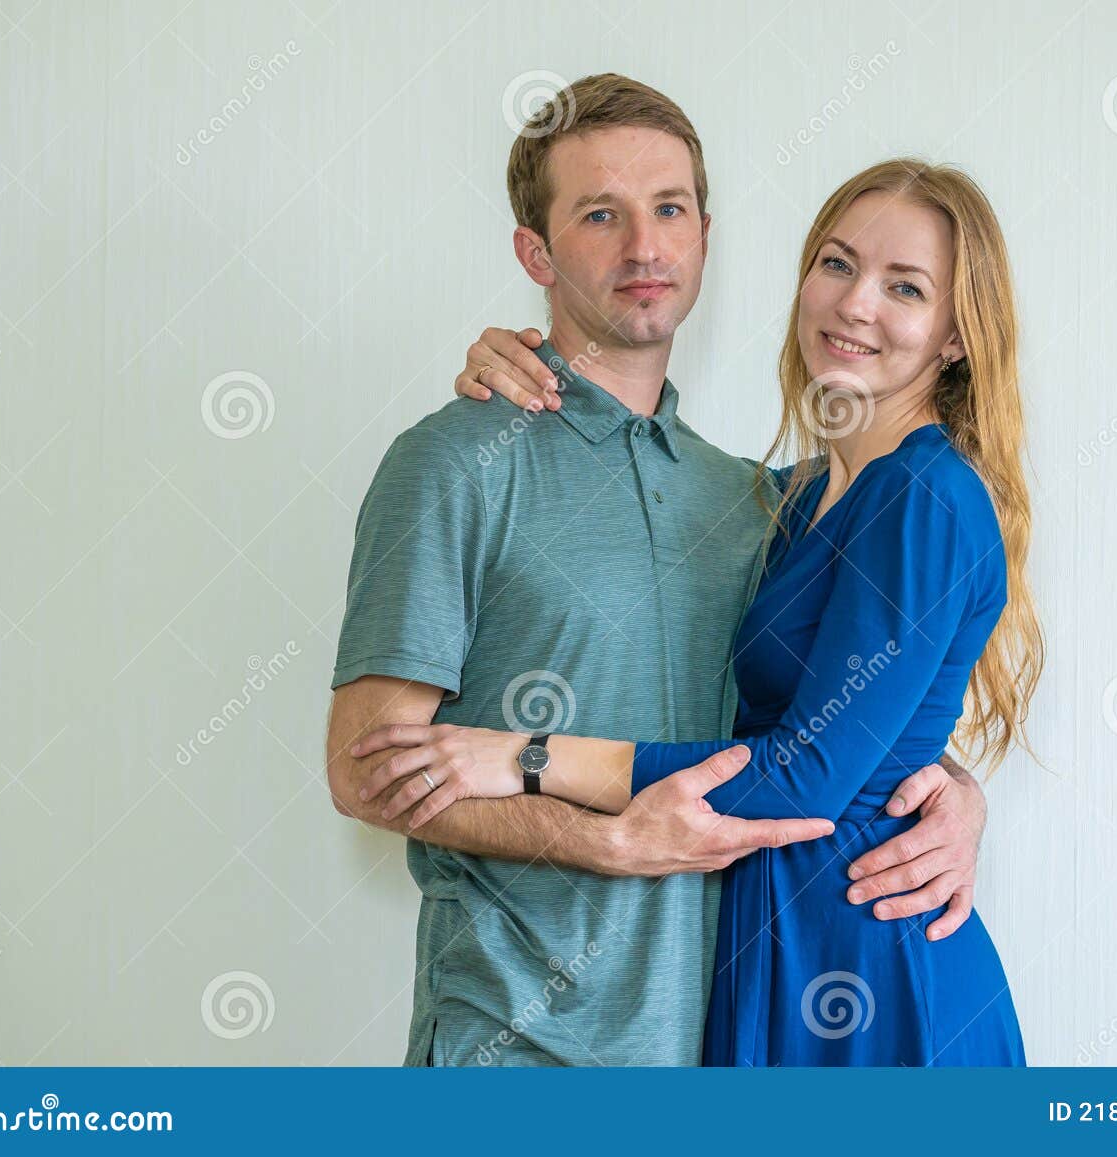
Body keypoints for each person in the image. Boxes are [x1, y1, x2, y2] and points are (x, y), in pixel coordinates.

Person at [324, 73, 990, 1067]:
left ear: (705, 236)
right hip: (517, 1046)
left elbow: (841, 708)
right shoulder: (455, 463)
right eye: (601, 214)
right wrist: (602, 839)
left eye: (668, 209)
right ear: (535, 253)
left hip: (724, 1042)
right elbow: (365, 769)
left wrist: (952, 788)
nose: (645, 247)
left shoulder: (763, 503)